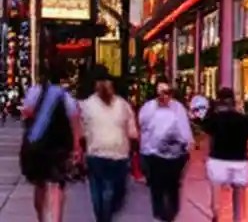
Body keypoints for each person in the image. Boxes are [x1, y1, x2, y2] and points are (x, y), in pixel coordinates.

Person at [20, 63, 82, 222]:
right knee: (57, 186)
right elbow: (75, 122)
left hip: (37, 147)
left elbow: (26, 114)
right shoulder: (66, 96)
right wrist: (77, 147)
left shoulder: (35, 91)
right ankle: (56, 219)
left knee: (39, 184)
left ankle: (41, 217)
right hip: (58, 148)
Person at [79, 69, 138, 222]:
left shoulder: (87, 105)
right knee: (110, 191)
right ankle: (105, 216)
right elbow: (133, 132)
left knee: (101, 190)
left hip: (105, 154)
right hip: (111, 154)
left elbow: (81, 131)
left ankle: (103, 215)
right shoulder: (121, 105)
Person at [138, 78, 193, 222]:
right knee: (157, 185)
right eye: (160, 93)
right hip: (154, 154)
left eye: (167, 92)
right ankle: (159, 213)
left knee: (172, 185)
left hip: (175, 155)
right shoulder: (148, 108)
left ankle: (171, 214)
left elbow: (184, 129)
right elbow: (142, 127)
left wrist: (186, 145)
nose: (163, 96)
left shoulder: (178, 108)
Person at [200, 88, 248, 222]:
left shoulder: (213, 119)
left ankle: (216, 213)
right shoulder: (245, 120)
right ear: (234, 102)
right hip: (239, 160)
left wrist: (205, 157)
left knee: (216, 190)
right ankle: (237, 218)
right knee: (239, 192)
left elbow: (207, 140)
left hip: (217, 159)